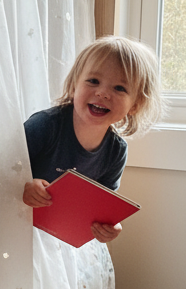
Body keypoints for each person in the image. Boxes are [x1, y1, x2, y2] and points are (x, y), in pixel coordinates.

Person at [22, 36, 162, 243]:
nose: (103, 93)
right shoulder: (45, 126)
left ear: (135, 105)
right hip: (19, 226)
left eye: (119, 88)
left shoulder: (116, 151)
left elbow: (103, 206)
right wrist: (23, 186)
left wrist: (109, 226)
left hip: (60, 238)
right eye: (93, 81)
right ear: (73, 86)